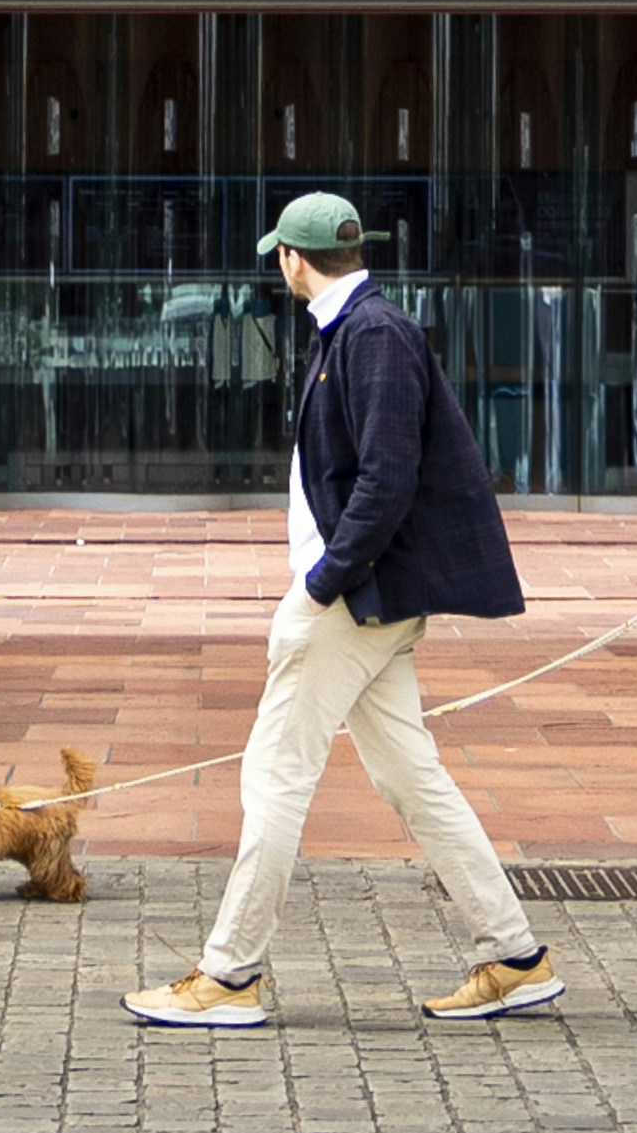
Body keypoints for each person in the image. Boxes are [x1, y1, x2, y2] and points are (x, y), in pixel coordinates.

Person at [126, 192, 571, 1031]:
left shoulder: (371, 335)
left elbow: (386, 477)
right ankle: (516, 958)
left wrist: (324, 582)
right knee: (412, 779)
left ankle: (229, 975)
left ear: (292, 260)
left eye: (280, 257)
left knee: (274, 778)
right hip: (370, 598)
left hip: (350, 600)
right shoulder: (358, 329)